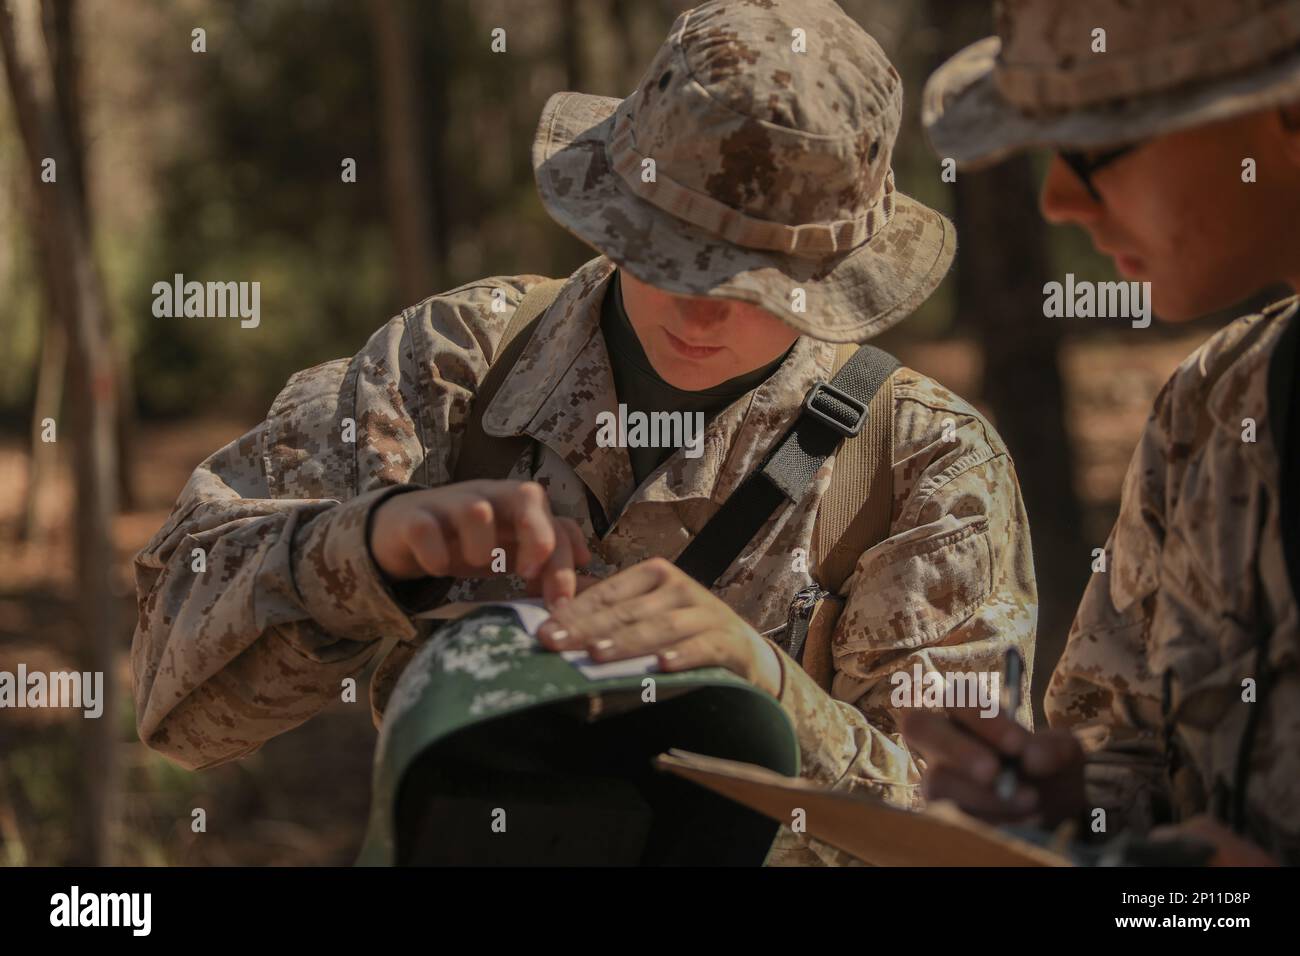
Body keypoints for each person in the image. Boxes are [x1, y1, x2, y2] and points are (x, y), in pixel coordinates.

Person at [131, 0, 1036, 866]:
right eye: (669, 245)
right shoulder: (457, 365)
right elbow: (177, 698)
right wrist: (367, 552)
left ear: (838, 271)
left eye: (760, 278)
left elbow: (972, 841)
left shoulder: (919, 466)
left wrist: (766, 689)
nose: (700, 306)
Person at [906, 0, 1300, 865]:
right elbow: (1133, 756)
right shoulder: (1206, 416)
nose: (1056, 198)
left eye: (1093, 149)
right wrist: (1062, 807)